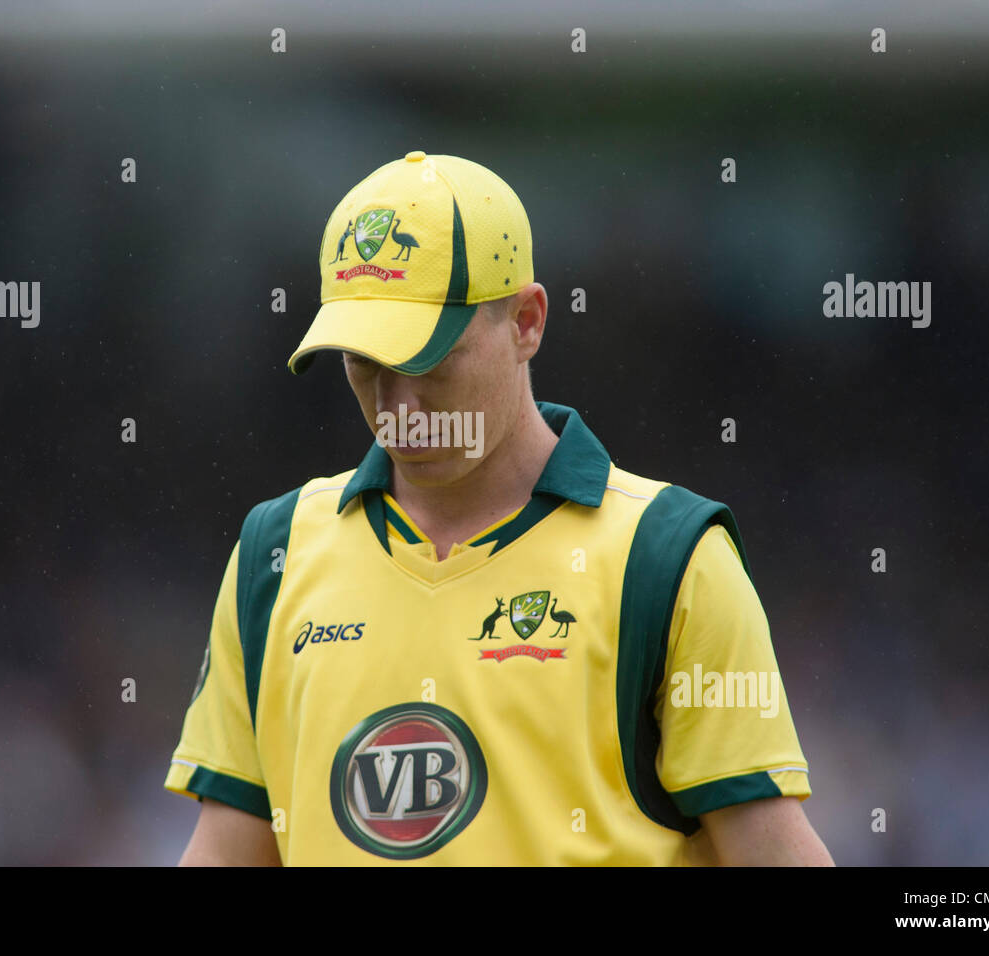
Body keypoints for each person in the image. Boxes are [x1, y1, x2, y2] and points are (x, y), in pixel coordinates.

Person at [165, 151, 833, 865]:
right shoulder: (275, 553)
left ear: (527, 321)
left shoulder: (667, 558)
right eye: (365, 364)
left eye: (427, 360)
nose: (401, 408)